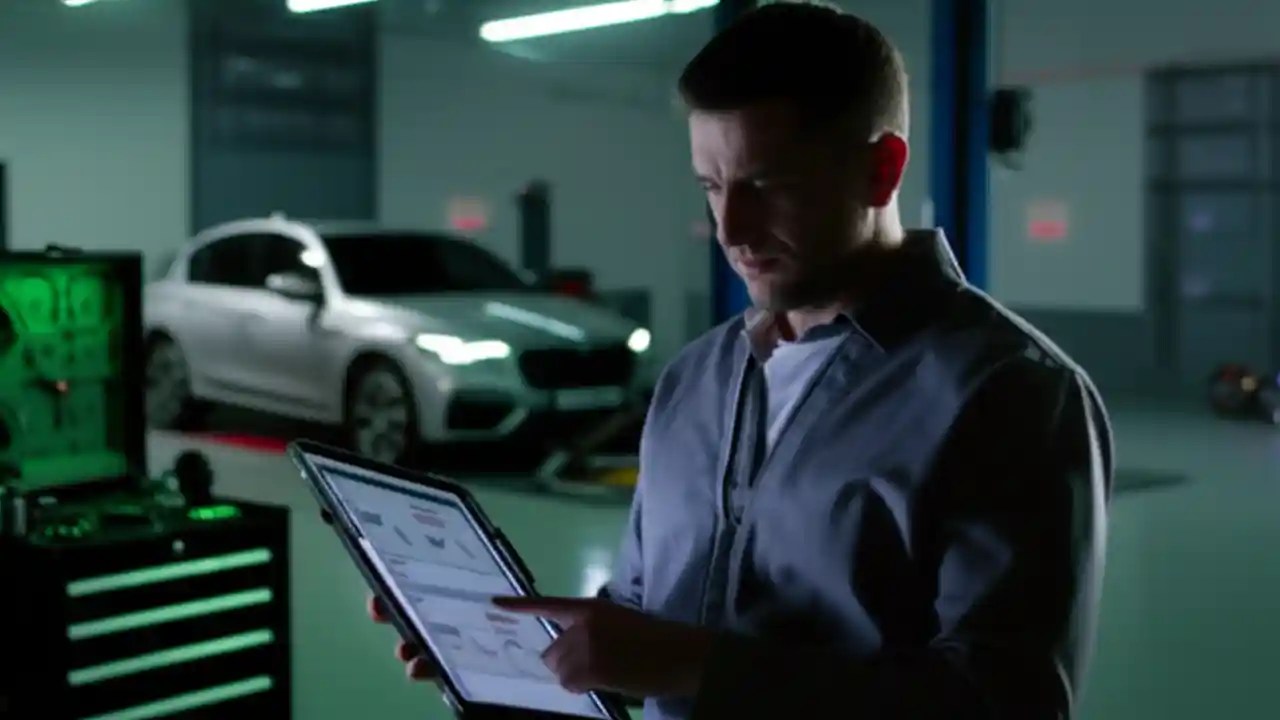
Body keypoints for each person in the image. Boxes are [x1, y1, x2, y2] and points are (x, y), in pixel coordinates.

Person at [370, 2, 1114, 718]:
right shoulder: (697, 378)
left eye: (768, 186)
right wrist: (507, 648)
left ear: (880, 171)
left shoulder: (1012, 393)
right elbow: (647, 619)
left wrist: (696, 667)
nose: (730, 227)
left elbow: (1006, 702)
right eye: (712, 187)